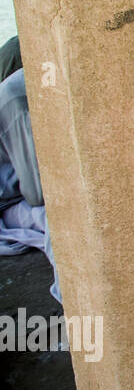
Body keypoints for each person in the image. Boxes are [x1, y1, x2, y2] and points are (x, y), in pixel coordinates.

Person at [0, 70, 58, 302]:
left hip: (20, 192)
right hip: (9, 204)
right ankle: (78, 306)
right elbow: (39, 194)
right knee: (60, 220)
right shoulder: (21, 98)